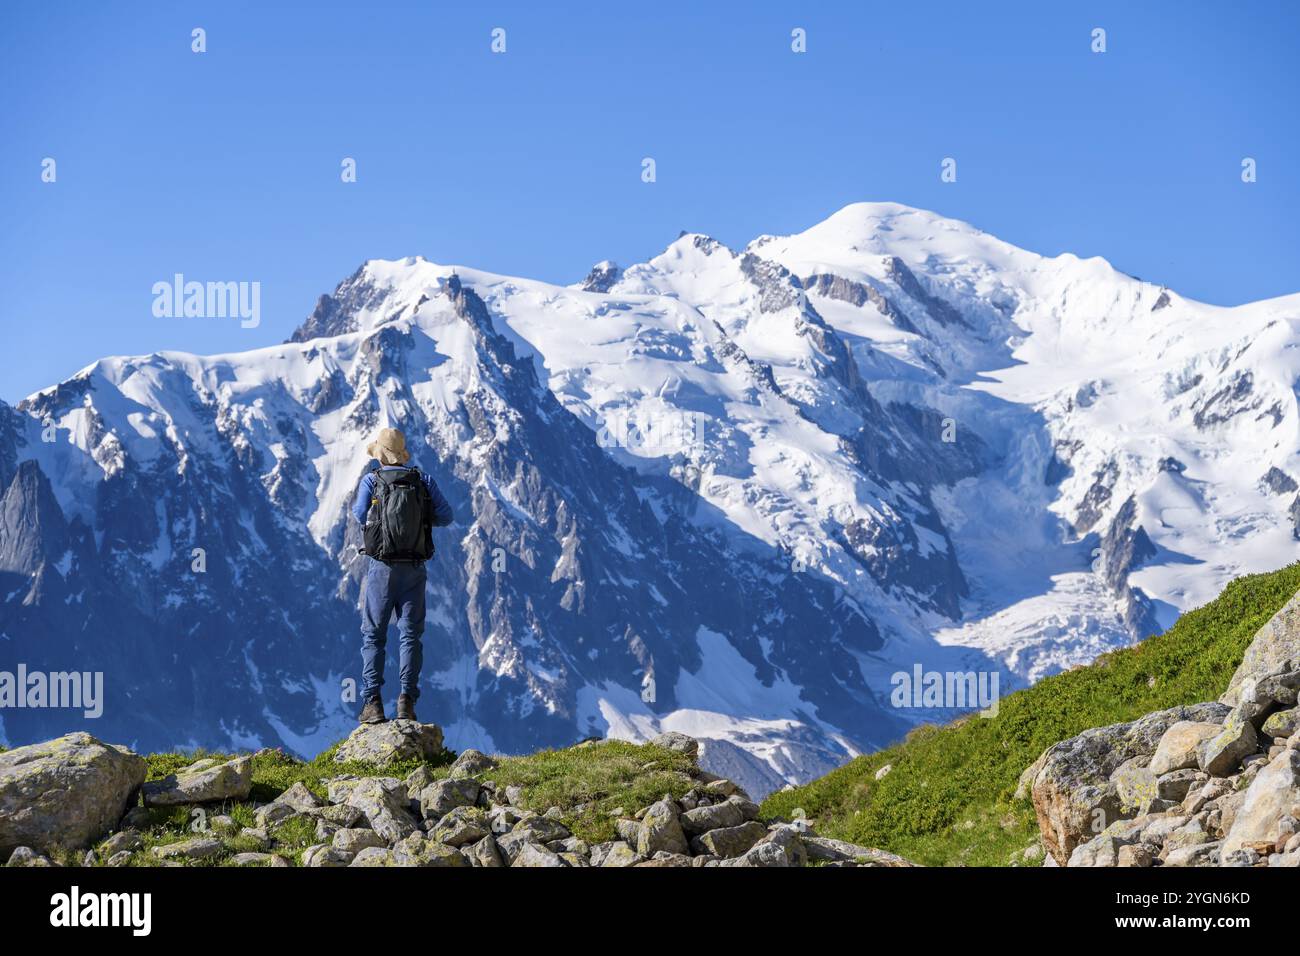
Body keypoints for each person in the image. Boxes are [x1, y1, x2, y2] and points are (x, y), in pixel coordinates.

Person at [351, 427, 454, 723]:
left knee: (374, 635)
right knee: (410, 636)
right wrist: (421, 517)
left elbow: (359, 516)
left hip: (382, 568)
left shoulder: (371, 480)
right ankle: (407, 702)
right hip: (415, 569)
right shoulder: (423, 480)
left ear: (380, 455)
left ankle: (372, 703)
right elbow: (447, 516)